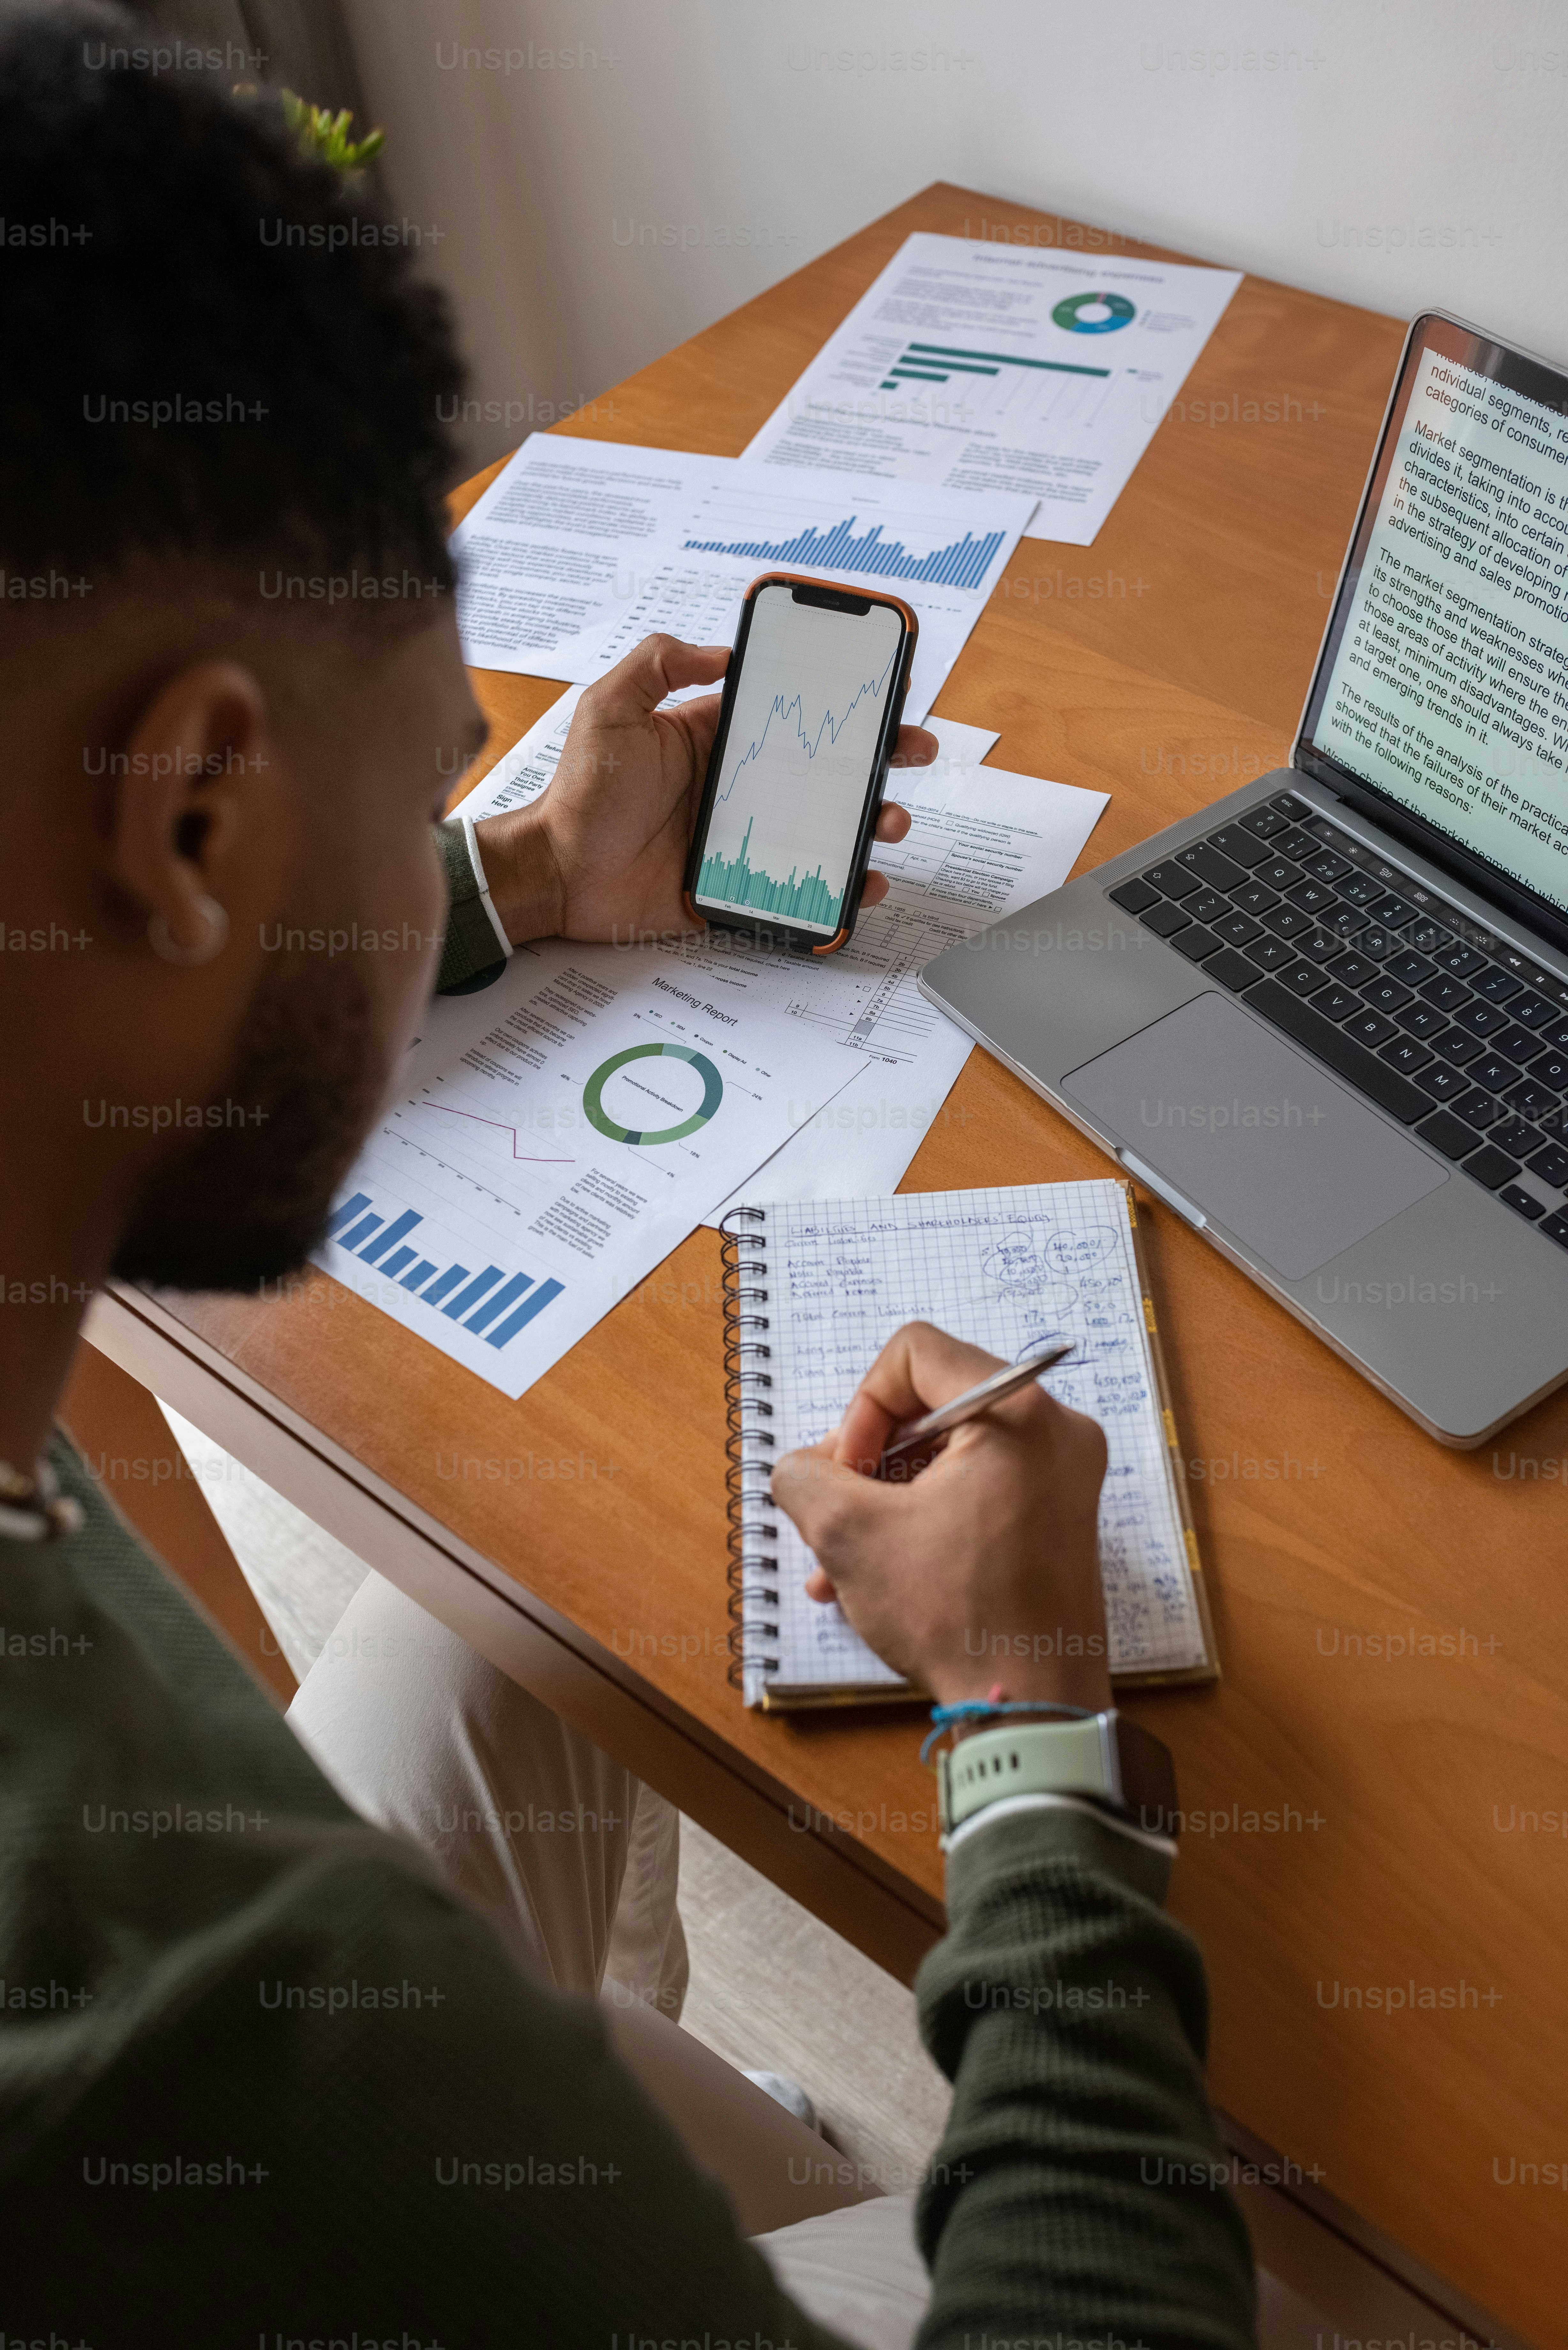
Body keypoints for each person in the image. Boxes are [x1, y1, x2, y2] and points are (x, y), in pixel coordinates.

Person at [0, 10, 1257, 2345]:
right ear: (191, 815)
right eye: (437, 765)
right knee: (1280, 2275)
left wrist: (514, 884)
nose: (447, 825)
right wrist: (1029, 1727)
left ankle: (757, 2172)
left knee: (508, 1637)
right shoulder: (175, 2054)